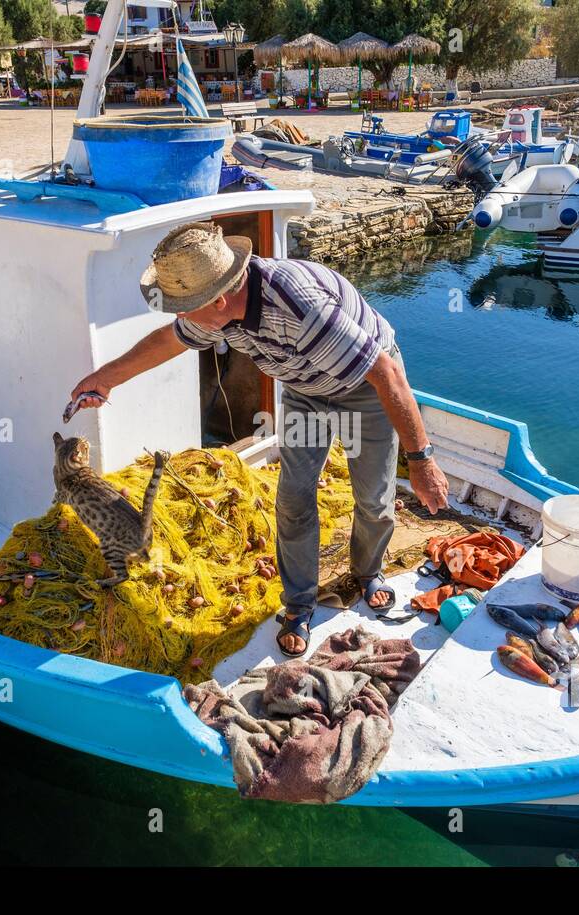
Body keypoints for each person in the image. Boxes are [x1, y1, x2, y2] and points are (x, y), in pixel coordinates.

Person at [69, 222, 449, 657]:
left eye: (185, 307)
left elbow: (387, 375)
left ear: (219, 299)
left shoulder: (300, 309)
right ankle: (300, 602)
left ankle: (368, 572)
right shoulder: (216, 313)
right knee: (293, 498)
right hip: (306, 390)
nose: (180, 315)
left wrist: (422, 460)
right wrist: (106, 378)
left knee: (374, 498)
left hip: (366, 389)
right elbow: (170, 341)